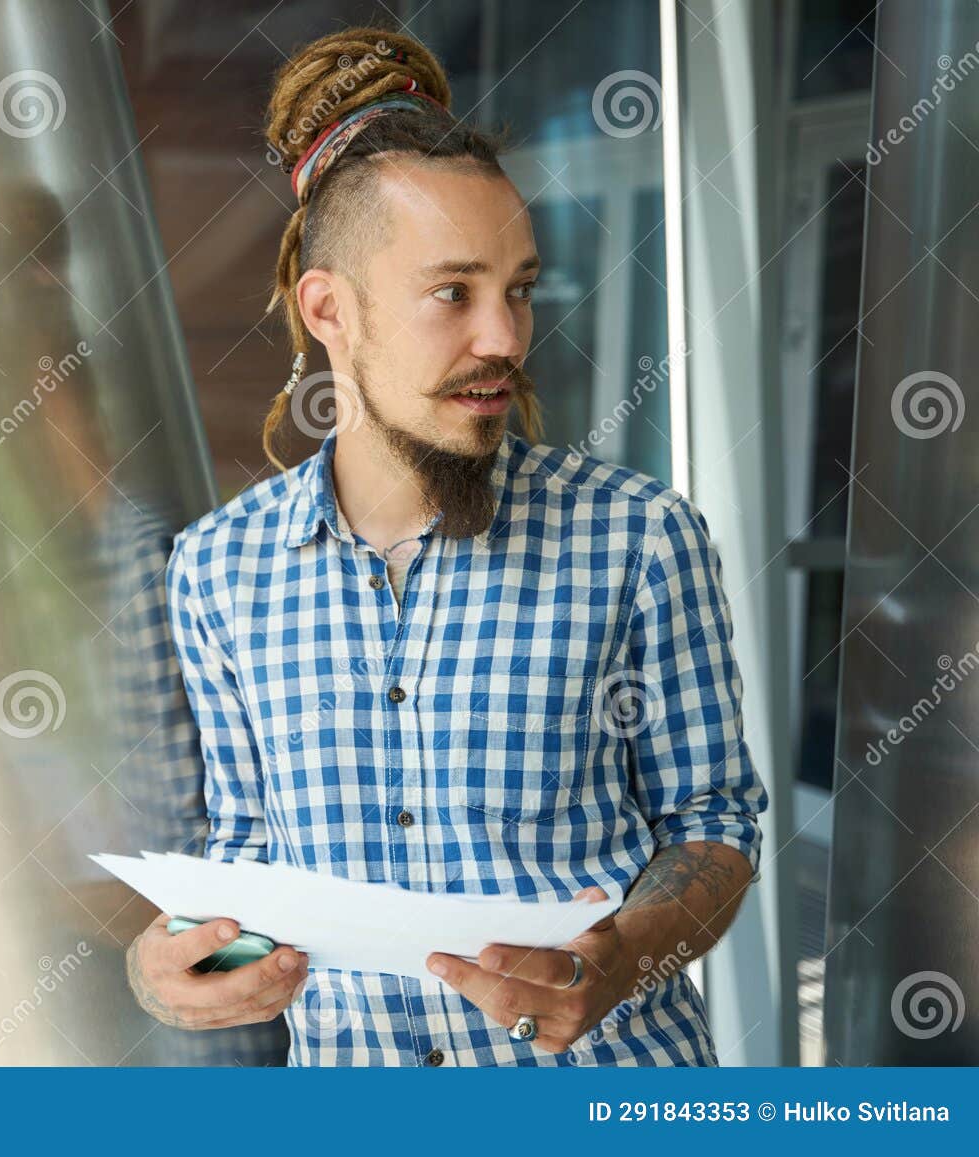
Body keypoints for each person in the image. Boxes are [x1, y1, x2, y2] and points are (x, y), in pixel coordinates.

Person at [123, 26, 768, 1067]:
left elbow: (713, 823)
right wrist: (171, 965)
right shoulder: (215, 570)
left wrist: (621, 960)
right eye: (453, 292)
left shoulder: (640, 536)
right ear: (329, 310)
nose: (504, 337)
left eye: (519, 289)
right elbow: (250, 852)